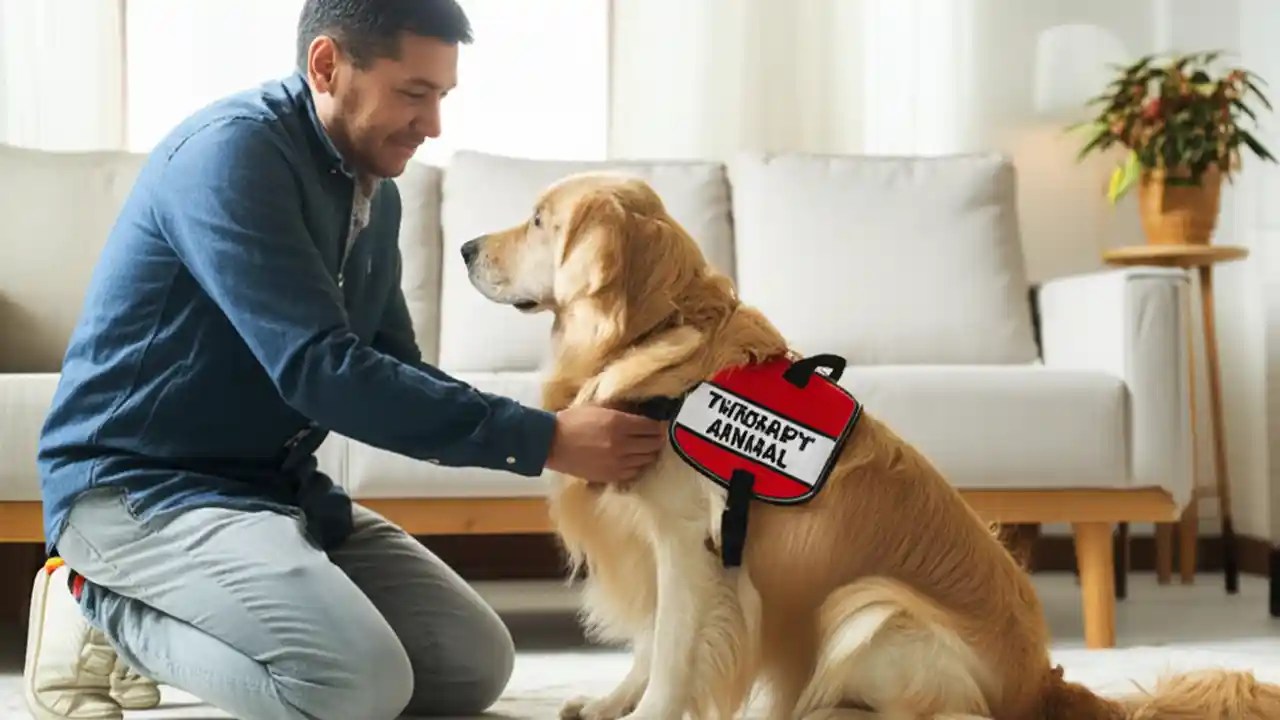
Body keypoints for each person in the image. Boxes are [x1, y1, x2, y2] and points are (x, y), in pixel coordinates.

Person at [22, 1, 668, 719]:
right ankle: (98, 601)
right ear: (327, 66)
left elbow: (393, 363)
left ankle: (212, 590)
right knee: (355, 687)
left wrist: (556, 428)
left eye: (442, 96)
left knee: (471, 666)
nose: (434, 125)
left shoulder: (375, 195)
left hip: (277, 490)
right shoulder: (231, 156)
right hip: (139, 489)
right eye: (413, 93)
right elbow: (321, 370)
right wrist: (543, 440)